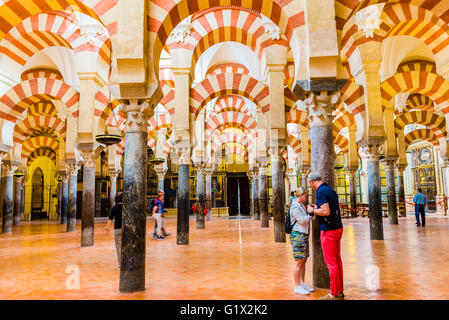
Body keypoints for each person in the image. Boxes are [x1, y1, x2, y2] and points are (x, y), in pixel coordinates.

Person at [307, 173, 344, 300]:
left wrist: (312, 210)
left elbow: (326, 211)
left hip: (329, 230)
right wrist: (317, 207)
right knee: (337, 260)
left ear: (312, 181)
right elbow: (336, 208)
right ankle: (339, 290)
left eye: (309, 183)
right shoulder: (330, 190)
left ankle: (334, 293)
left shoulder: (321, 192)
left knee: (331, 262)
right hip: (338, 227)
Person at [289, 188, 315, 295]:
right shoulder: (295, 207)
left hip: (303, 234)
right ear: (300, 195)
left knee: (303, 260)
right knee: (298, 261)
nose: (307, 197)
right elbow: (302, 220)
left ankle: (302, 283)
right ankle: (297, 285)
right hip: (297, 235)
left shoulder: (301, 205)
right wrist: (312, 214)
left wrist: (310, 212)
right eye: (305, 195)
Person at [105, 192, 123, 268]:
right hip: (126, 229)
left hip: (117, 229)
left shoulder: (114, 208)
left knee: (118, 246)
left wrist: (107, 227)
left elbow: (110, 219)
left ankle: (120, 264)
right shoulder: (127, 207)